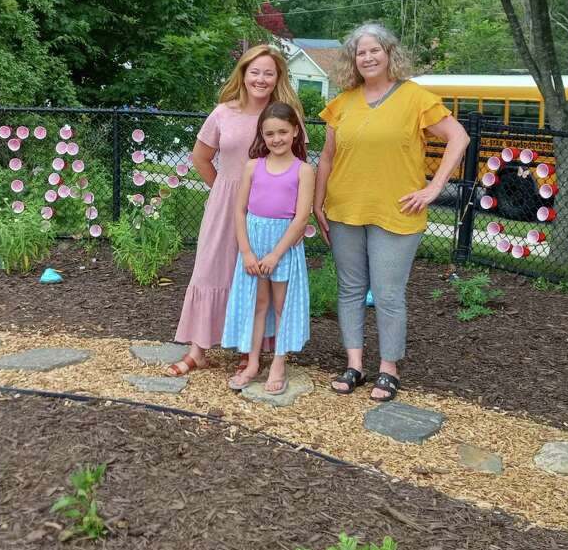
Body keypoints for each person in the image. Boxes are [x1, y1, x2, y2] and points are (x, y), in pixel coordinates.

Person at [315, 23, 469, 401]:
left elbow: (459, 137)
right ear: (353, 60)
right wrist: (317, 204)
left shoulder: (414, 97)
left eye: (374, 50)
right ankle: (354, 365)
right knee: (350, 290)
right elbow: (328, 157)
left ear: (389, 54)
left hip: (397, 211)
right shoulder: (344, 102)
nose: (367, 57)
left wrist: (434, 188)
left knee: (387, 293)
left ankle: (388, 369)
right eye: (360, 52)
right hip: (344, 208)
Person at [167, 45, 305, 376]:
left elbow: (296, 167)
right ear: (242, 74)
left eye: (268, 73)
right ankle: (198, 349)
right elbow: (200, 157)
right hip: (225, 203)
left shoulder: (285, 115)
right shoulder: (222, 113)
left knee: (253, 278)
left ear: (277, 78)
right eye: (254, 71)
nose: (261, 78)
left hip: (268, 213)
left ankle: (249, 350)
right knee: (209, 271)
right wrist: (223, 191)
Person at [223, 103, 314, 394]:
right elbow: (239, 212)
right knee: (258, 305)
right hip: (254, 242)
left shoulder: (304, 170)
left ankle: (278, 363)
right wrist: (247, 252)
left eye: (283, 132)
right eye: (270, 133)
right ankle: (252, 362)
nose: (277, 139)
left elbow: (301, 218)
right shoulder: (253, 166)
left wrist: (276, 254)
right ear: (262, 135)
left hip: (282, 246)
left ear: (295, 131)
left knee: (280, 305)